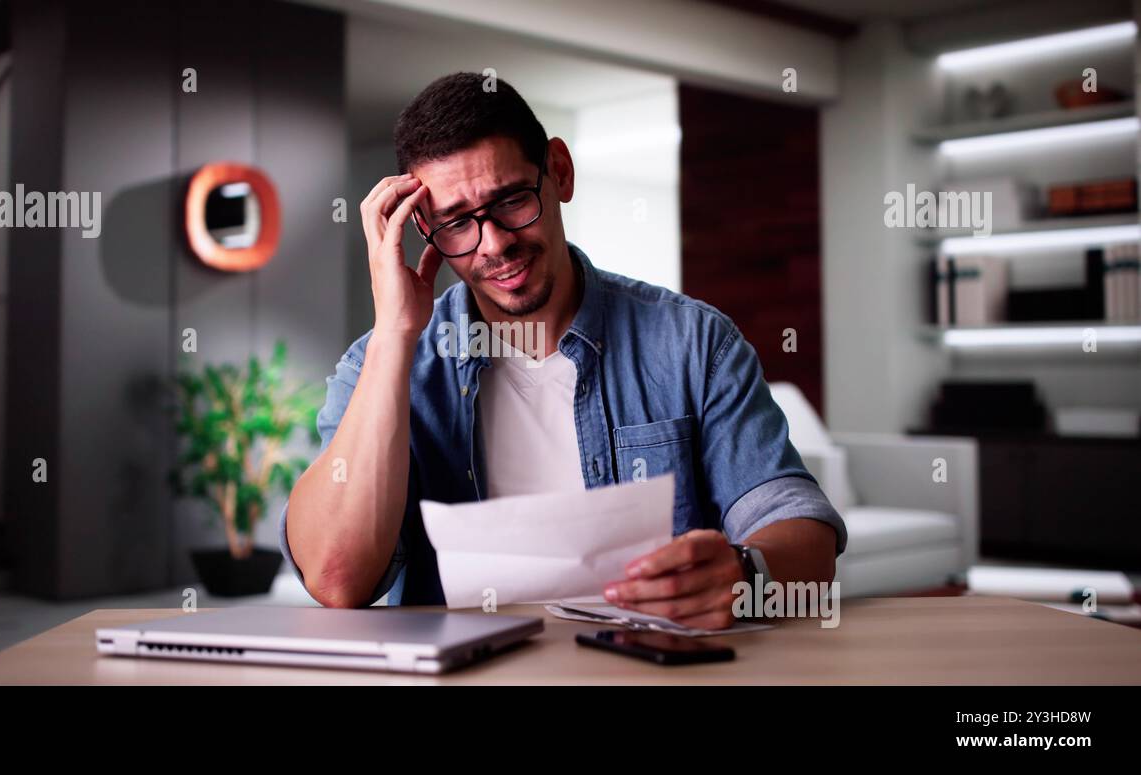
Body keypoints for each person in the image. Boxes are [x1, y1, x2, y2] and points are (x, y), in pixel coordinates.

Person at [283, 72, 845, 630]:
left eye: (511, 200)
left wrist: (747, 575)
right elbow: (337, 578)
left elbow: (803, 534)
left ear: (559, 171)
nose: (496, 243)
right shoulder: (379, 364)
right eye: (457, 223)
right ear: (425, 229)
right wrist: (393, 335)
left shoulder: (694, 344)